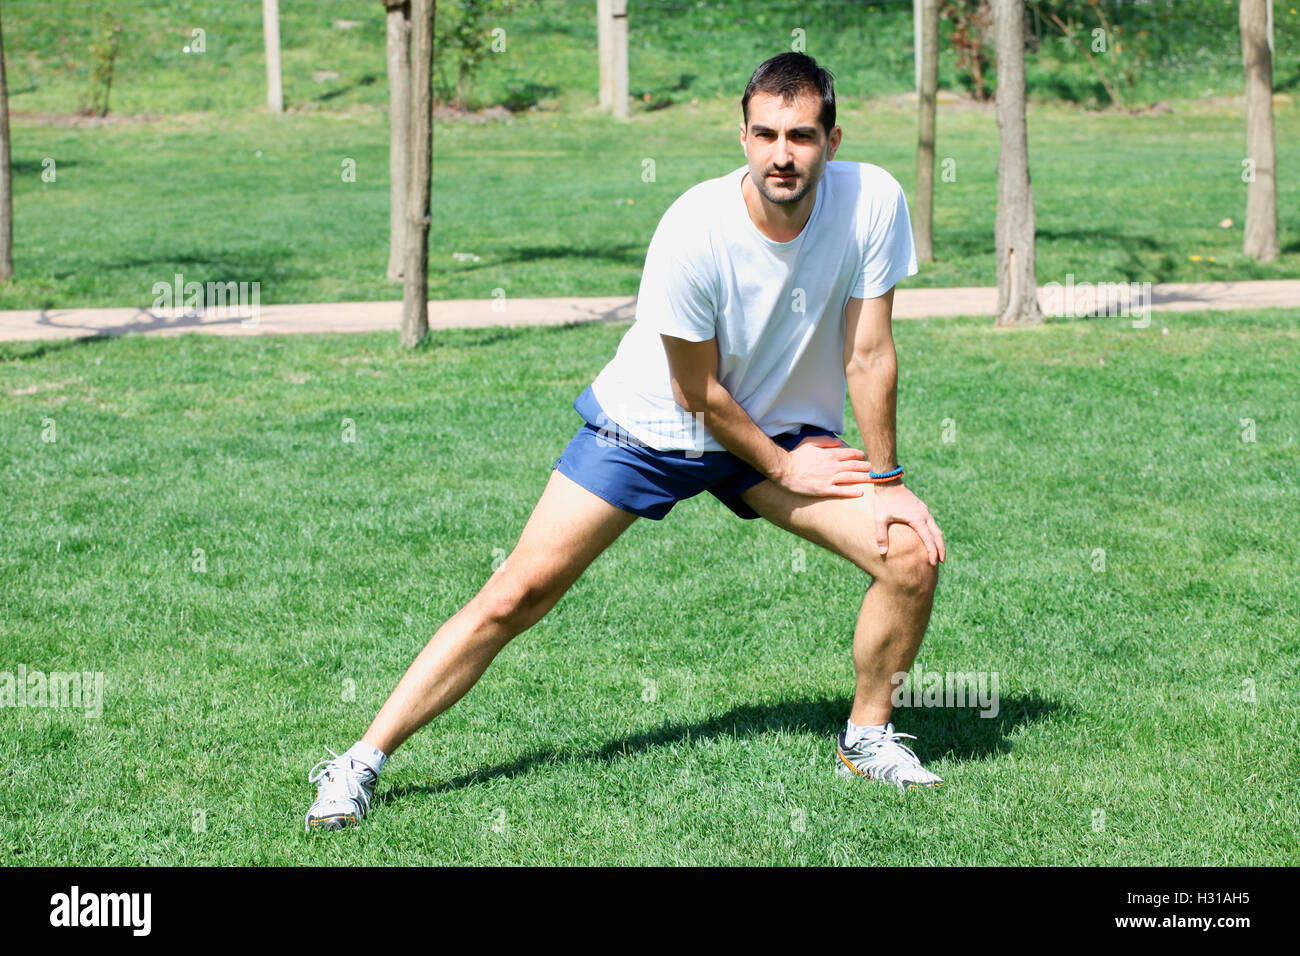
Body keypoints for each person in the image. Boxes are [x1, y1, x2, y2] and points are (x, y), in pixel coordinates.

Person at [306, 51, 946, 831]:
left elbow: (870, 353)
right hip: (654, 425)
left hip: (778, 427)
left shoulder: (873, 200)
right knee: (517, 592)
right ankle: (359, 762)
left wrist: (888, 482)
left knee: (908, 552)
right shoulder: (692, 230)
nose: (783, 154)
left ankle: (867, 740)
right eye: (766, 134)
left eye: (802, 136)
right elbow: (694, 392)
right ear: (741, 135)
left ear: (833, 141)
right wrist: (784, 466)